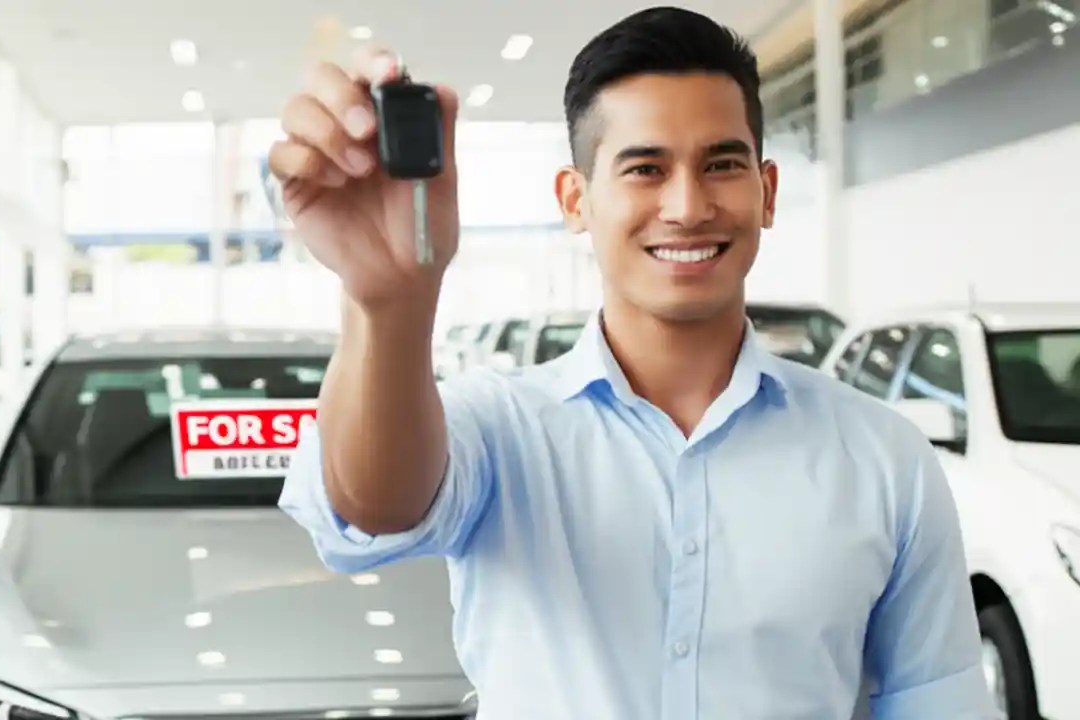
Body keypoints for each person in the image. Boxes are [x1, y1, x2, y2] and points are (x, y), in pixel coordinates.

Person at [270, 6, 995, 719]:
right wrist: (389, 302)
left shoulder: (881, 456)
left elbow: (939, 699)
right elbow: (377, 505)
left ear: (767, 191)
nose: (686, 206)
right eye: (645, 168)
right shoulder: (500, 427)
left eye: (722, 164)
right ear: (575, 198)